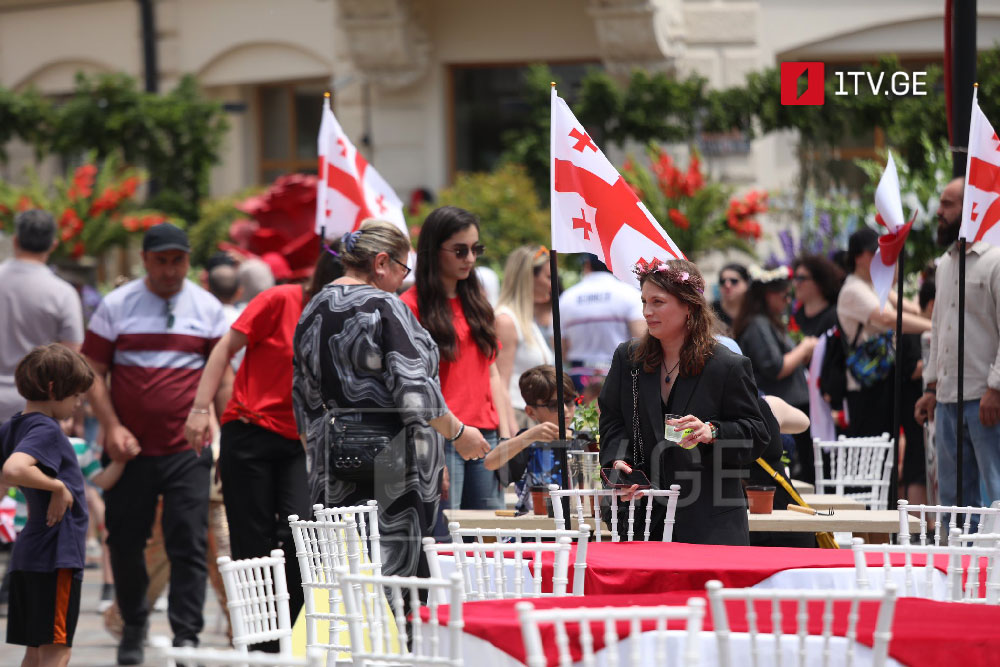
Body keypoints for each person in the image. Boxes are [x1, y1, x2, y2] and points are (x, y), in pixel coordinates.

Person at [293, 220, 490, 581]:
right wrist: (459, 433)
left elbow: (302, 398)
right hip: (393, 463)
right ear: (381, 263)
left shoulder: (312, 308)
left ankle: (357, 639)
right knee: (397, 576)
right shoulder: (384, 305)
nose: (403, 280)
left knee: (346, 574)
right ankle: (399, 639)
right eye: (402, 269)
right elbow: (415, 394)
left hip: (330, 460)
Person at [81, 223, 228, 664]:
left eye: (177, 260)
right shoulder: (116, 306)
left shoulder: (207, 308)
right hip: (129, 451)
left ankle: (187, 638)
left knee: (189, 543)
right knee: (125, 541)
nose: (169, 270)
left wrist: (223, 436)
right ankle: (134, 627)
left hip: (188, 450)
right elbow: (93, 372)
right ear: (145, 261)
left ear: (189, 261)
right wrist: (110, 426)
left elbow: (222, 378)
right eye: (161, 261)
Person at [185, 248, 343, 636]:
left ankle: (289, 636)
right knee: (251, 544)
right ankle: (259, 644)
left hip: (297, 441)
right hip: (250, 430)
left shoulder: (347, 317)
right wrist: (200, 409)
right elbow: (224, 348)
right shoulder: (279, 298)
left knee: (301, 535)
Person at [599, 259, 768, 544]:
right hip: (643, 521)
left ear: (689, 306)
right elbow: (613, 419)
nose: (647, 312)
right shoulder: (628, 358)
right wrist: (619, 462)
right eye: (644, 301)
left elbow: (757, 433)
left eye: (658, 302)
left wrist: (712, 432)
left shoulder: (726, 366)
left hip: (710, 522)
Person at [401, 206, 510, 510]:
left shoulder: (478, 303)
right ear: (433, 251)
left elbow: (492, 372)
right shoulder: (409, 307)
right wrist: (432, 452)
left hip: (486, 436)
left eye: (476, 250)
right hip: (442, 436)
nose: (471, 259)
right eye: (460, 251)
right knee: (447, 544)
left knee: (489, 546)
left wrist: (505, 436)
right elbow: (413, 387)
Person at [0, 344, 94, 667]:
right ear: (54, 390)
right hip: (57, 556)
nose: (77, 404)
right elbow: (13, 470)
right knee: (57, 650)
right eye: (75, 396)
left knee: (35, 653)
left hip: (28, 557)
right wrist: (58, 486)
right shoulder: (47, 429)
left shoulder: (13, 427)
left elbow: (2, 479)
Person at [916, 177, 1000, 508]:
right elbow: (939, 330)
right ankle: (958, 561)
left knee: (994, 491)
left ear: (972, 208)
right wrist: (932, 388)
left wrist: (996, 388)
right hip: (949, 399)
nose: (939, 211)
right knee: (953, 499)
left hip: (986, 400)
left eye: (948, 204)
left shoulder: (995, 261)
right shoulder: (945, 265)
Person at [838, 228, 930, 438]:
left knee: (886, 446)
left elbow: (913, 310)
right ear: (858, 257)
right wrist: (934, 327)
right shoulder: (853, 289)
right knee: (871, 449)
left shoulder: (874, 286)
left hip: (883, 376)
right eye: (875, 254)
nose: (882, 259)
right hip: (865, 382)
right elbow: (889, 318)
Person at [733, 265, 817, 482]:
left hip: (789, 407)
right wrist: (805, 348)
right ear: (768, 295)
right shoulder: (758, 324)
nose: (788, 301)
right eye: (784, 295)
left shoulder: (767, 323)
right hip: (778, 410)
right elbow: (776, 367)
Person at [0, 210, 85, 423]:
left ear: (15, 240)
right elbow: (71, 360)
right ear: (53, 245)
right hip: (36, 413)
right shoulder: (62, 293)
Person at [484, 365, 572, 514]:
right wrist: (528, 437)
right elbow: (490, 462)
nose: (564, 409)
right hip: (534, 530)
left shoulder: (584, 441)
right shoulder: (527, 442)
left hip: (579, 525)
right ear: (530, 412)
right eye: (553, 405)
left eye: (569, 401)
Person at [560, 254, 645, 392]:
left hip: (578, 377)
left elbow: (559, 347)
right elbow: (641, 338)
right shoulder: (629, 294)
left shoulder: (567, 298)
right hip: (620, 375)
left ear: (587, 265)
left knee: (580, 414)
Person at [495, 245, 555, 432]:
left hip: (531, 418)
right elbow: (499, 383)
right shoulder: (506, 320)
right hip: (517, 418)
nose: (552, 283)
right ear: (528, 278)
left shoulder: (527, 321)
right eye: (547, 276)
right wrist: (510, 430)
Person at [791, 254, 843, 337]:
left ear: (819, 282)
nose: (795, 284)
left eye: (801, 278)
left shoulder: (835, 318)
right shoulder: (797, 316)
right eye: (795, 278)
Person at [711, 263, 749, 332]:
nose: (727, 285)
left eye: (734, 281)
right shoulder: (710, 312)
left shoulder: (755, 312)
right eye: (722, 281)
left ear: (746, 283)